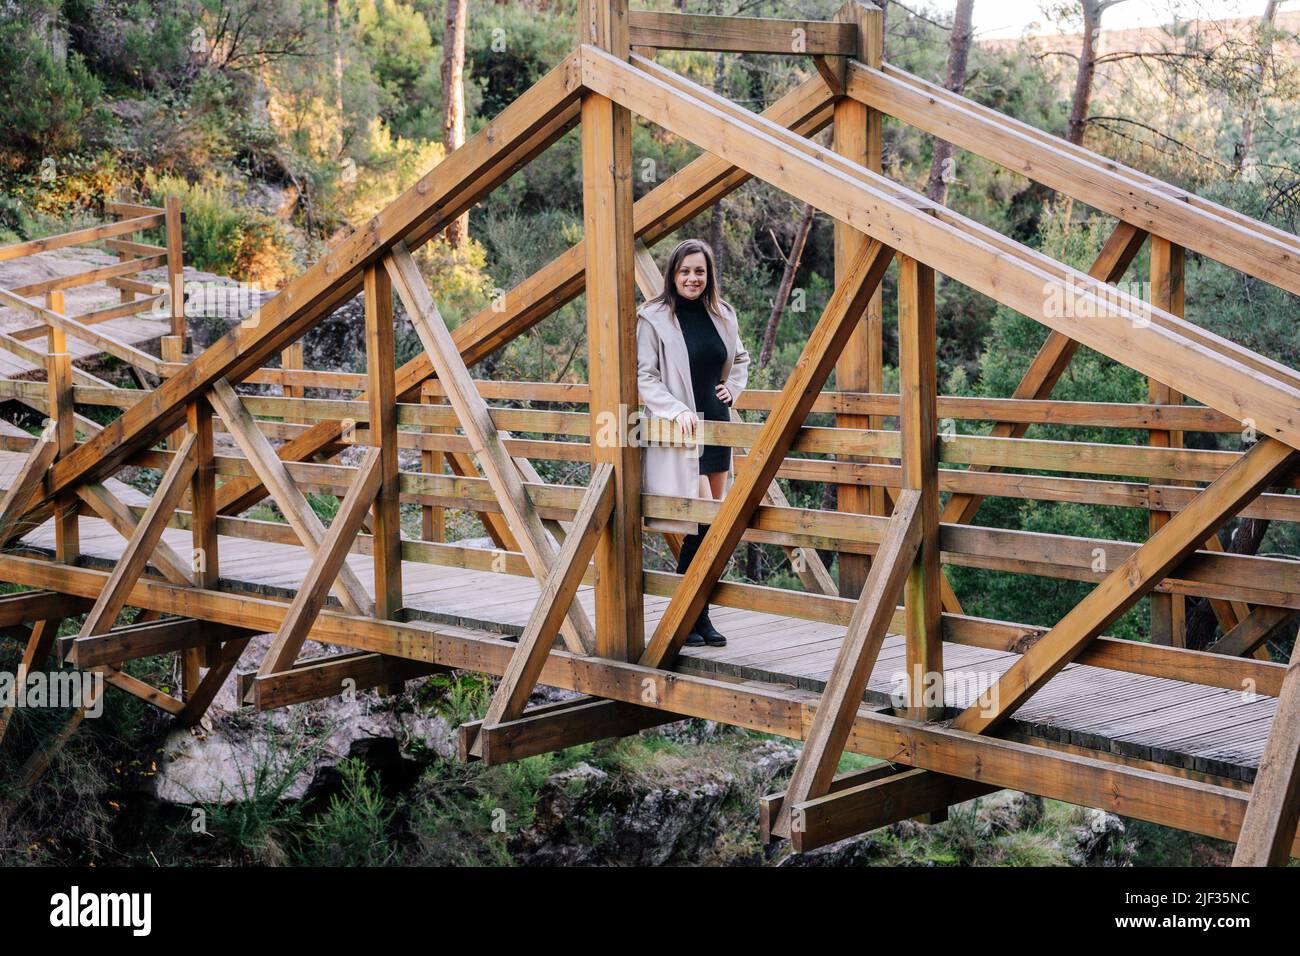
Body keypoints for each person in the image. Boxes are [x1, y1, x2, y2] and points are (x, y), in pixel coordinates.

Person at [635, 238, 751, 648]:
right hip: (682, 431)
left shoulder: (722, 314)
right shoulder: (653, 318)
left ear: (709, 275)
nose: (692, 278)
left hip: (717, 428)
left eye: (699, 271)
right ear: (673, 274)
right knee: (702, 522)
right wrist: (675, 409)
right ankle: (689, 615)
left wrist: (733, 390)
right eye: (685, 271)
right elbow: (644, 376)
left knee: (712, 527)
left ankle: (693, 616)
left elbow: (740, 360)